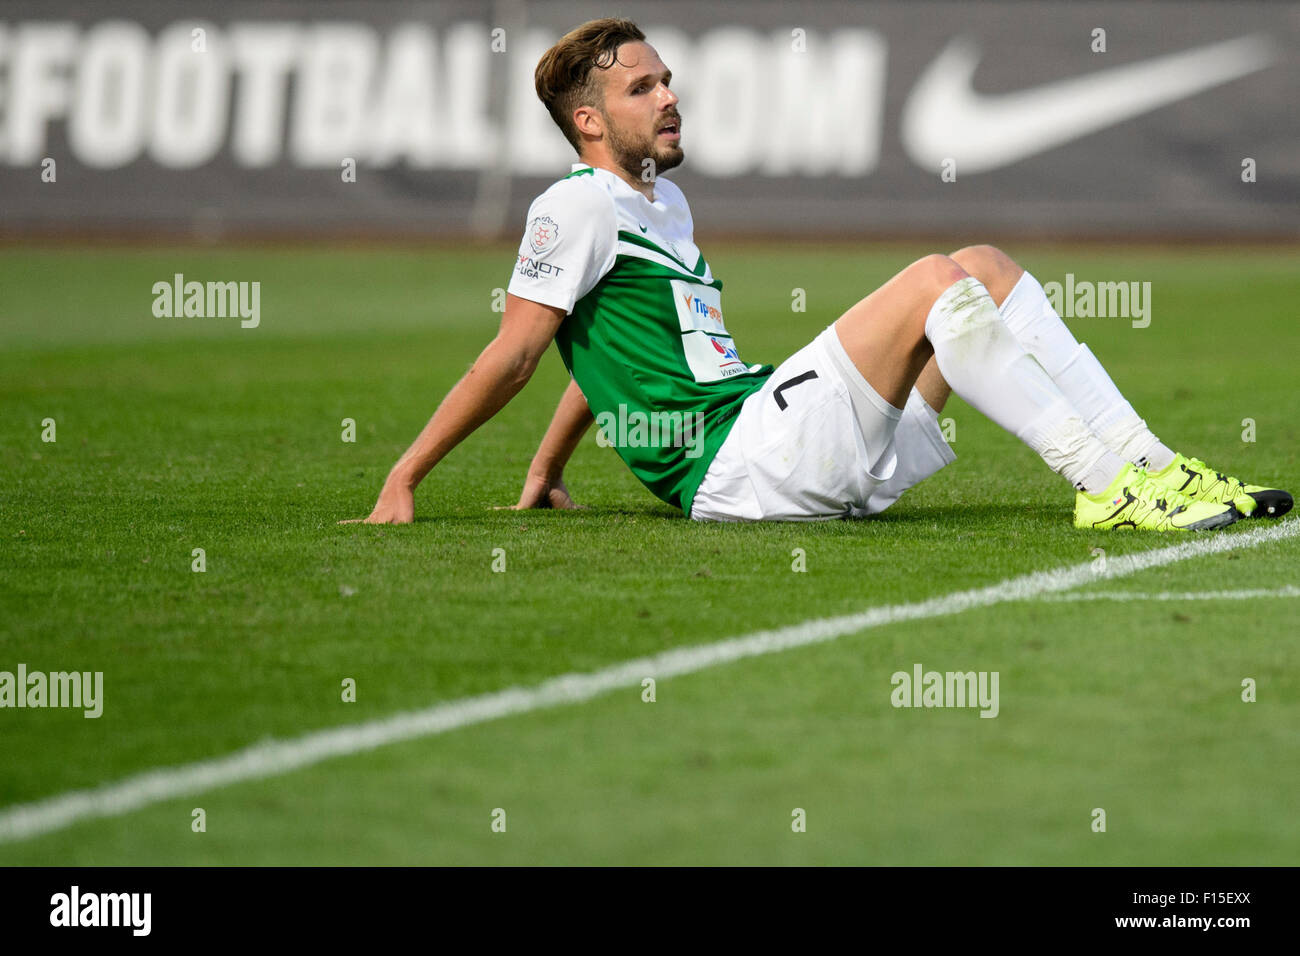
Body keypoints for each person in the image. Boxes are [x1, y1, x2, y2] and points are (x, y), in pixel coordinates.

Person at [348, 17, 1290, 530]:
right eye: (643, 88)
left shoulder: (660, 205)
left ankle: (1158, 472)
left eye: (667, 77)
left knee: (984, 269)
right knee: (932, 278)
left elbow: (604, 354)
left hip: (778, 447)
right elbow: (517, 354)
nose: (670, 95)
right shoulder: (574, 205)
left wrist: (550, 465)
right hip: (743, 465)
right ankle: (1102, 486)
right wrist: (405, 476)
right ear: (589, 122)